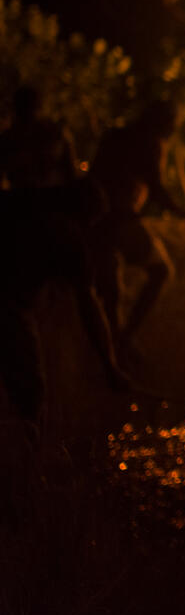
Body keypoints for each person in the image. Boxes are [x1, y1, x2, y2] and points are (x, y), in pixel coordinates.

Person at [0, 179, 128, 431]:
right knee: (30, 397)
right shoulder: (67, 234)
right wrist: (110, 366)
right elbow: (89, 305)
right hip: (8, 307)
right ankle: (25, 449)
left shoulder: (18, 200)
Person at [87, 99, 185, 360]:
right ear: (162, 122)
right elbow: (157, 189)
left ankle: (114, 347)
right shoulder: (151, 143)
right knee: (161, 270)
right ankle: (124, 339)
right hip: (119, 219)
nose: (173, 130)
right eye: (172, 123)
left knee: (110, 288)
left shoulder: (115, 136)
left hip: (94, 217)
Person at [0, 87, 77, 190]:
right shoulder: (8, 139)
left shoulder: (57, 135)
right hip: (32, 196)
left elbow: (71, 173)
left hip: (47, 195)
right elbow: (71, 174)